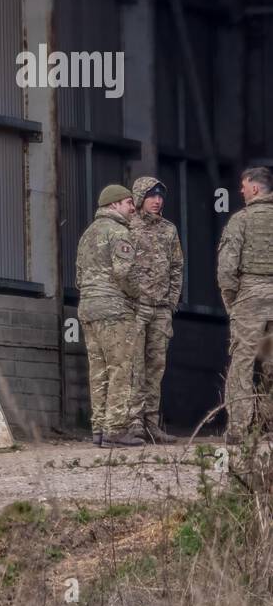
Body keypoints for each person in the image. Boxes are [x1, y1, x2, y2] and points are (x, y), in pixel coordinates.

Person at [76, 184, 143, 448]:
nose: (133, 209)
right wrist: (137, 295)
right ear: (114, 205)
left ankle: (98, 429)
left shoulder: (87, 235)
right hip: (114, 310)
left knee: (98, 370)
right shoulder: (119, 232)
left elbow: (79, 277)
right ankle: (115, 430)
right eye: (129, 203)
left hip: (88, 309)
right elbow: (124, 273)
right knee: (120, 368)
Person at [216, 166, 273, 445]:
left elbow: (227, 269)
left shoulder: (241, 220)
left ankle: (239, 428)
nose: (240, 190)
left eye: (243, 185)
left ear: (254, 188)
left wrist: (232, 302)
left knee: (243, 362)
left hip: (250, 295)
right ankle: (269, 424)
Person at [128, 177, 181, 444]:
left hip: (160, 309)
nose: (157, 201)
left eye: (160, 196)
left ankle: (151, 423)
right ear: (139, 198)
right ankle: (133, 422)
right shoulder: (127, 226)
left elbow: (177, 268)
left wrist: (171, 303)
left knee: (156, 366)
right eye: (151, 196)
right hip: (136, 308)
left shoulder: (169, 230)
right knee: (134, 364)